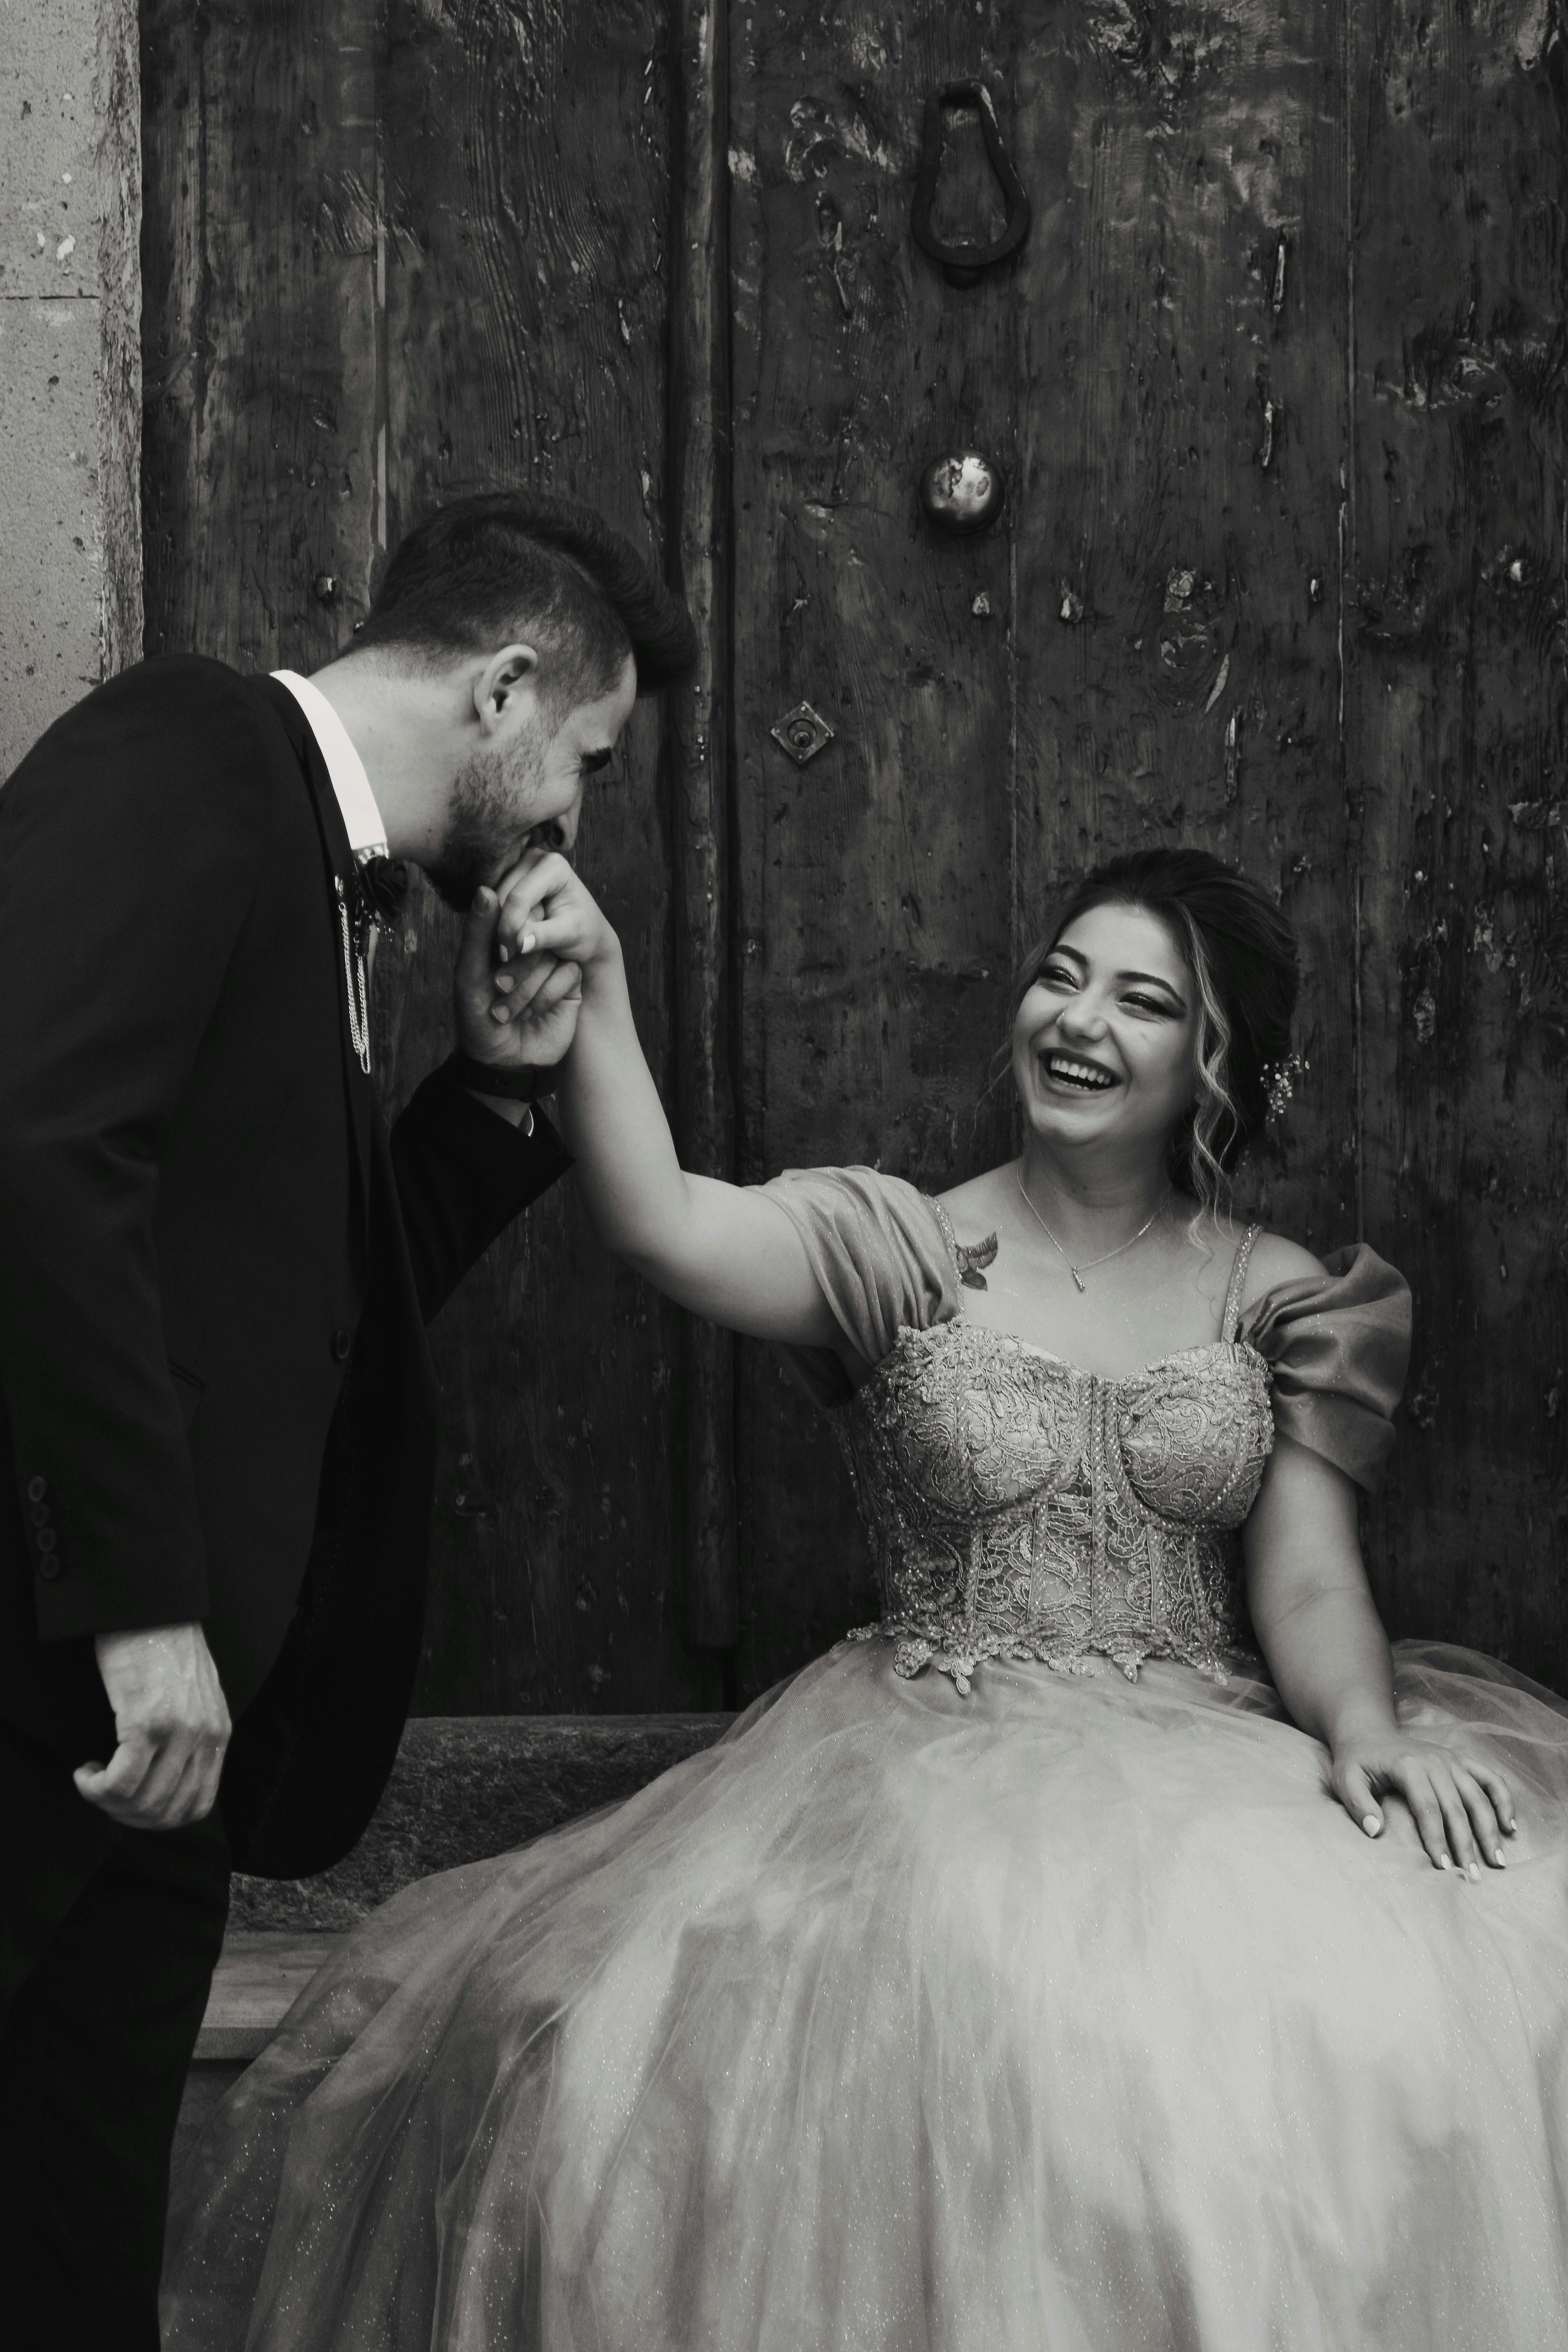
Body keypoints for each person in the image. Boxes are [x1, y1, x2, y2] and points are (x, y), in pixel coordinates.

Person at [163, 848, 1568, 2350]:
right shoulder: (901, 1246)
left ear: (1218, 1066)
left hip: (1205, 1766)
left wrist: (1366, 1729)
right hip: (923, 1764)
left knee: (1414, 1987)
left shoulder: (1282, 1293)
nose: (1080, 1020)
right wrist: (608, 989)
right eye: (1061, 977)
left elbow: (1308, 1575)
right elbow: (664, 1221)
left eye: (1143, 1001)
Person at [0, 489, 696, 2352]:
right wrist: (137, 1605)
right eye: (589, 763)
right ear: (505, 688)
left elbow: (287, 1309)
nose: (576, 824)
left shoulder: (329, 883)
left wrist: (491, 1094)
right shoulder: (190, 745)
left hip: (156, 1769)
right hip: (63, 1679)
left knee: (71, 2277)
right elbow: (34, 1146)